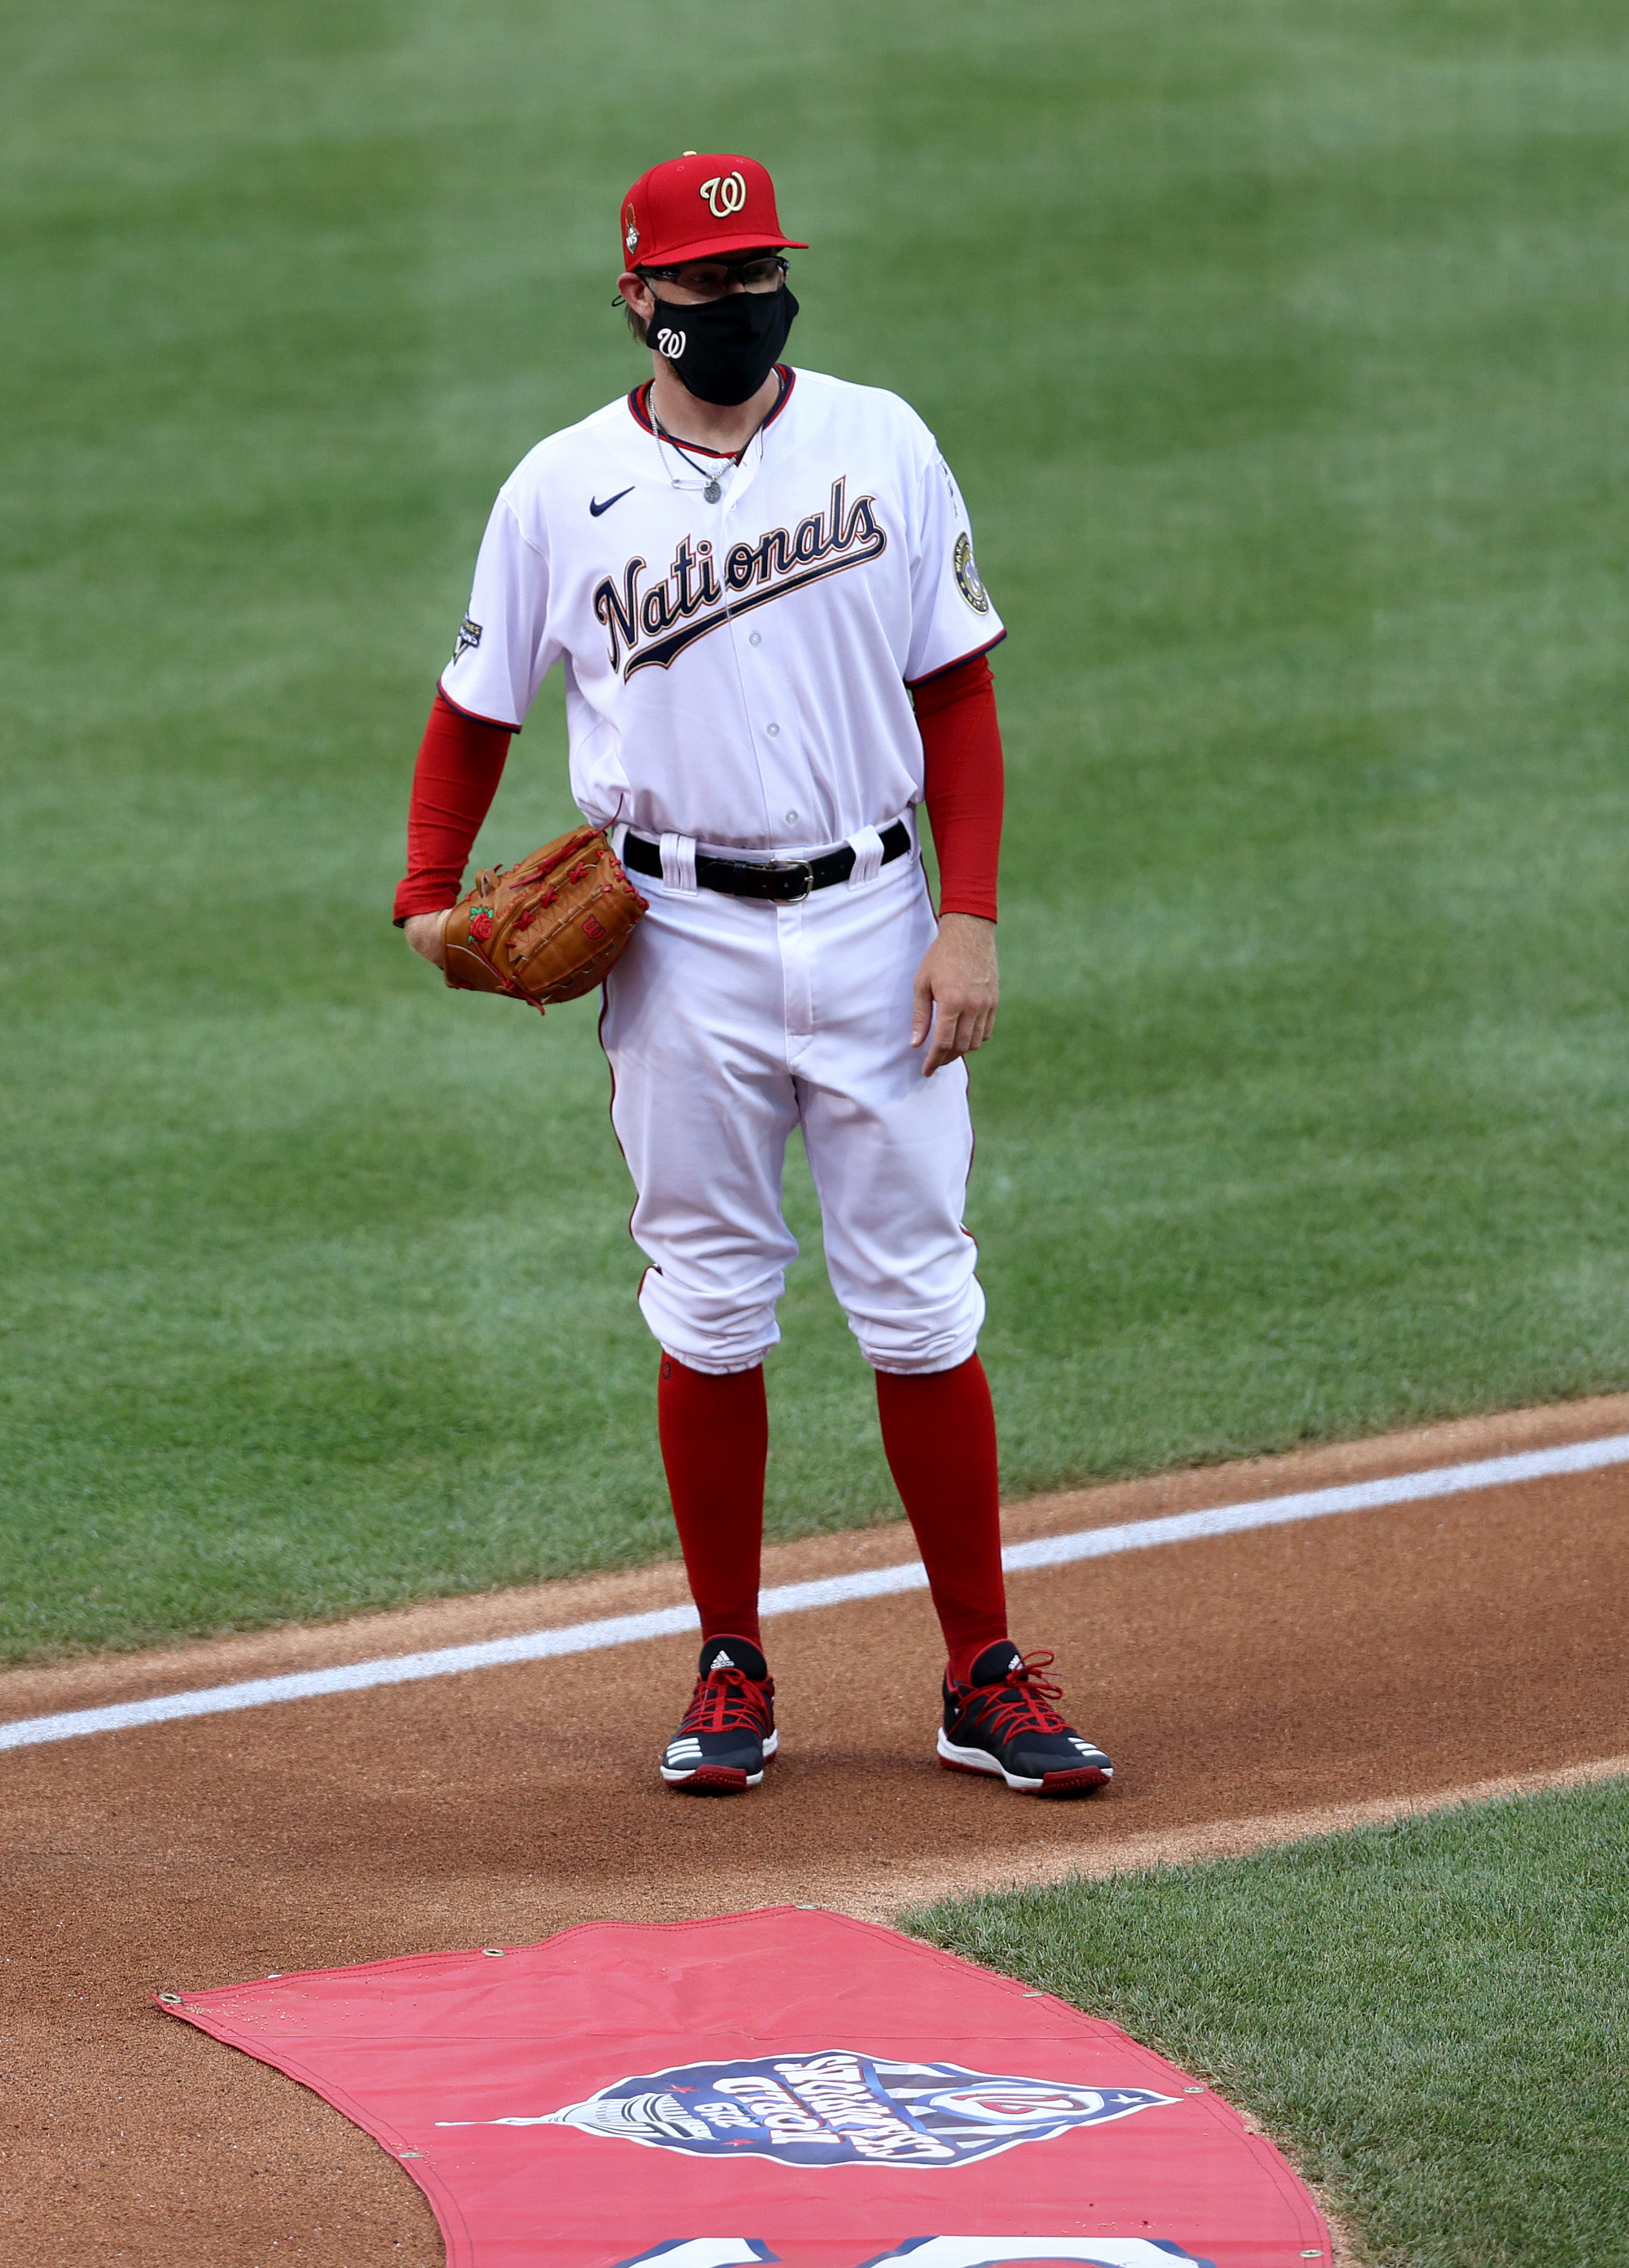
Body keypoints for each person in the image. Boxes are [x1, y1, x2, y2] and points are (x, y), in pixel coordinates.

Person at [396, 156, 1114, 1800]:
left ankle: (980, 1669)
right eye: (705, 286)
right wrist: (425, 896)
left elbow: (960, 694)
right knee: (712, 1306)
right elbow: (473, 704)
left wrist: (974, 911)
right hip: (677, 942)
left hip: (879, 919)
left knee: (922, 1300)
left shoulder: (884, 439)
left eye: (758, 276)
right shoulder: (559, 489)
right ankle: (732, 1657)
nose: (738, 307)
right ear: (639, 299)